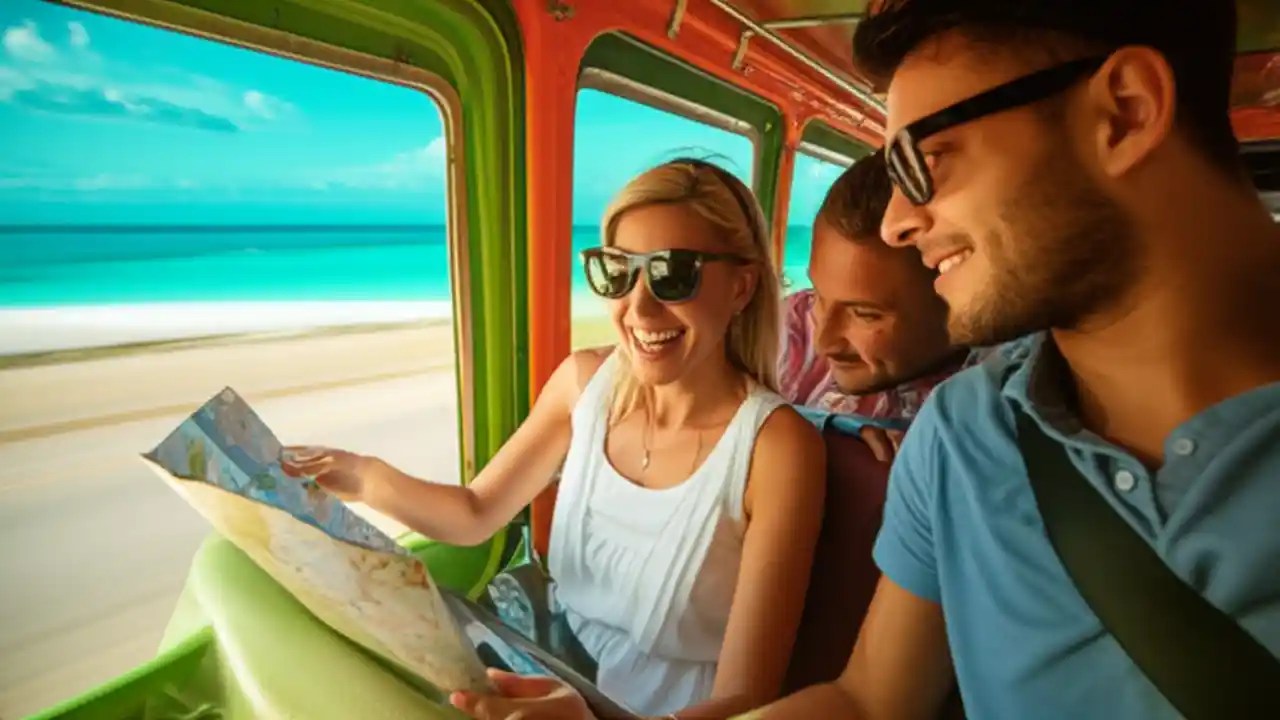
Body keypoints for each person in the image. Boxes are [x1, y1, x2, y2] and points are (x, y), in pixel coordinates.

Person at [453, 0, 1280, 717]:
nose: (897, 224)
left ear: (1125, 113)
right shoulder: (963, 435)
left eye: (925, 161)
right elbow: (868, 701)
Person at [284, 158, 826, 718]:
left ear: (742, 286)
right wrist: (365, 477)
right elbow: (474, 512)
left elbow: (746, 700)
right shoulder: (583, 384)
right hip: (543, 664)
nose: (638, 307)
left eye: (673, 273)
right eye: (618, 271)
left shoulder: (776, 450)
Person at [777, 151, 971, 461]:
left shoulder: (987, 411)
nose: (824, 341)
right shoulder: (792, 325)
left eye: (864, 315)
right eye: (819, 296)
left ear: (960, 301)